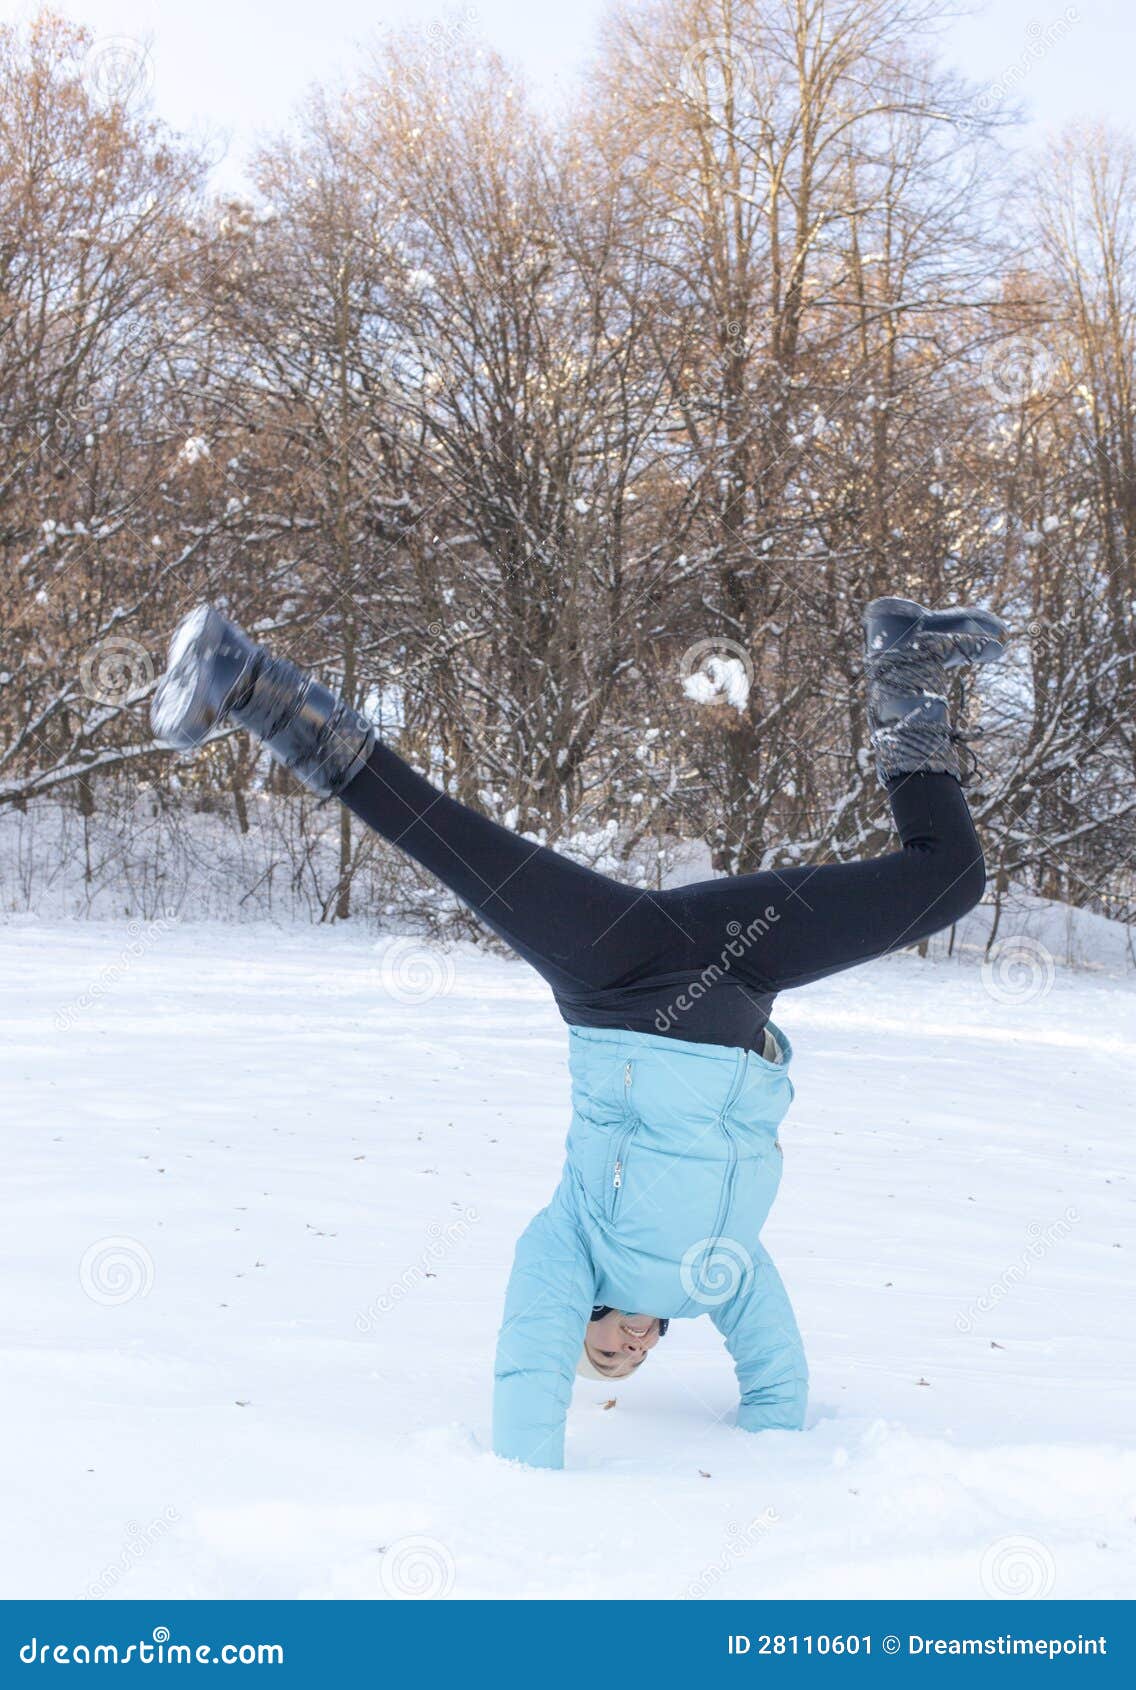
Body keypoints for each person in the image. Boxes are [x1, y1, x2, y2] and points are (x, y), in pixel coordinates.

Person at [151, 594, 1007, 1470]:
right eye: (635, 1360)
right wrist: (775, 1462)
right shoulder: (721, 1274)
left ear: (587, 1319)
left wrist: (528, 1487)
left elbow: (529, 1355)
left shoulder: (571, 1248)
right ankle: (906, 668)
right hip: (736, 979)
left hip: (621, 982)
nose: (628, 1350)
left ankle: (240, 675)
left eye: (603, 1353)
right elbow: (775, 1371)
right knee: (947, 884)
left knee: (444, 835)